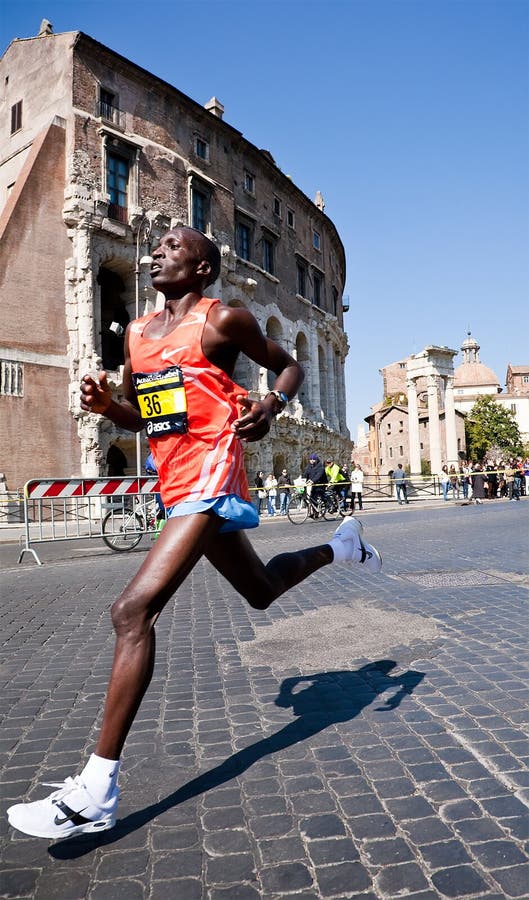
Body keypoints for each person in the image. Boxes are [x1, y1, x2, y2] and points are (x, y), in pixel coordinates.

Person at [7, 226, 382, 840]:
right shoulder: (135, 334)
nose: (159, 253)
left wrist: (269, 407)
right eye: (157, 248)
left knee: (132, 610)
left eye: (175, 247)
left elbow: (286, 367)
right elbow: (145, 414)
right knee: (259, 589)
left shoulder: (223, 321)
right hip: (173, 479)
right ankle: (342, 545)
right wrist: (107, 408)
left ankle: (97, 787)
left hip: (213, 468)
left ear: (204, 268)